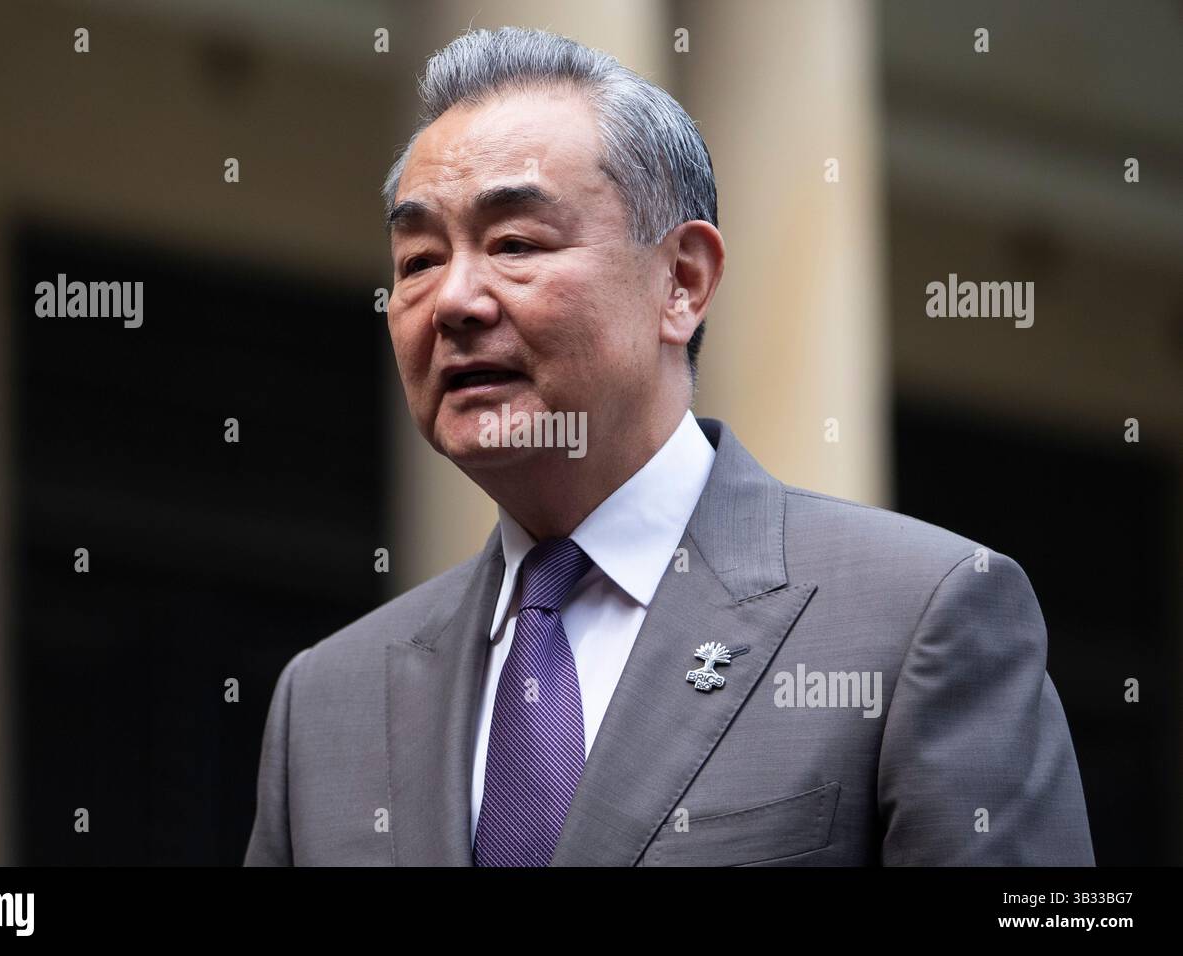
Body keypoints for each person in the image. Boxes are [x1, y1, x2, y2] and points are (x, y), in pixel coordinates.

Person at [244, 26, 1094, 866]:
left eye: (514, 244)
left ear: (682, 280)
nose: (455, 299)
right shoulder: (326, 705)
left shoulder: (913, 619)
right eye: (419, 259)